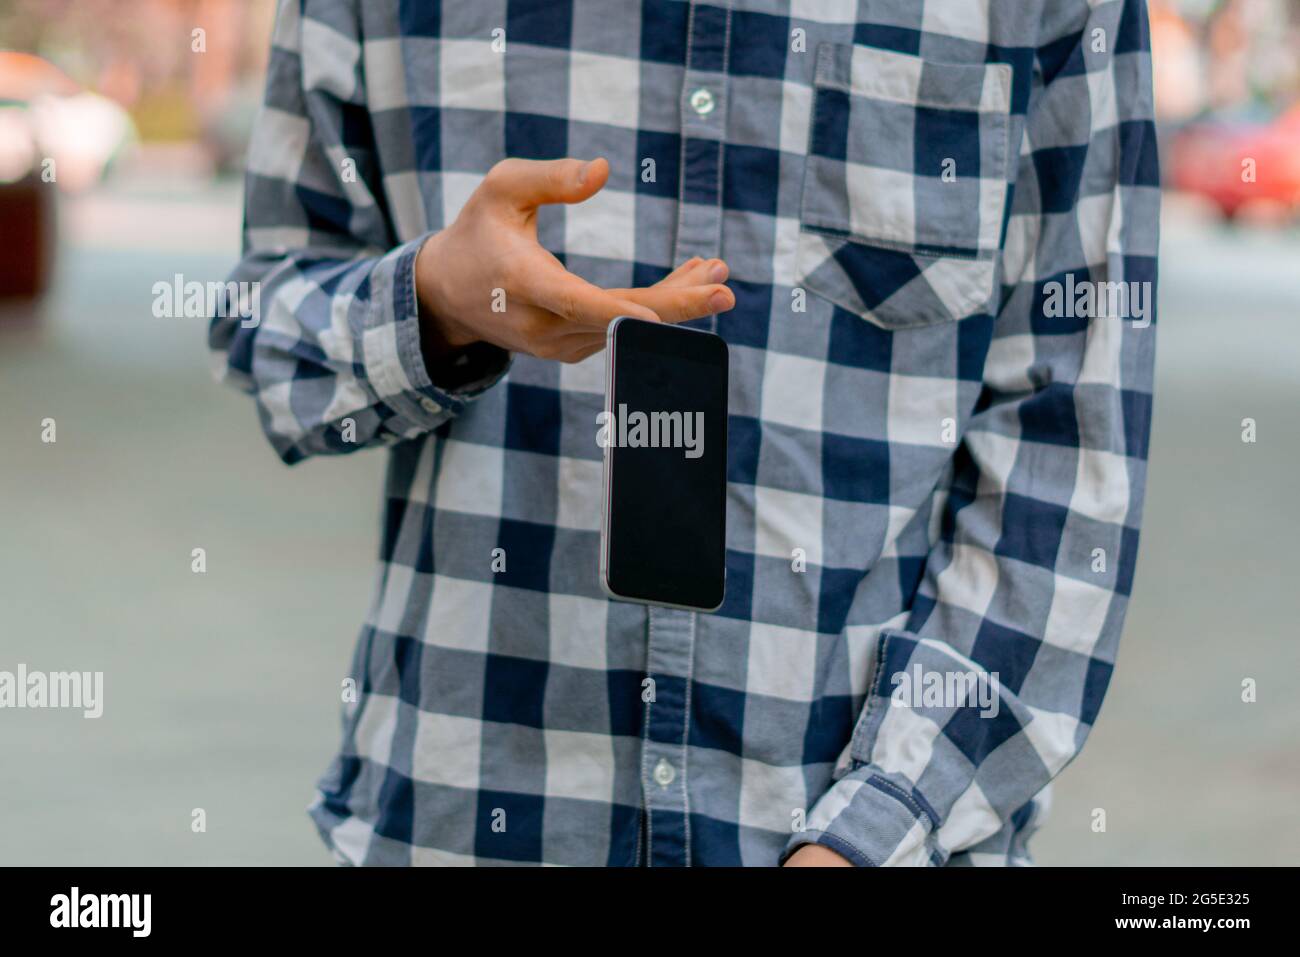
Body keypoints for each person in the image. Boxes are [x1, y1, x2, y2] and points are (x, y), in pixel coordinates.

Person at [211, 0, 1158, 866]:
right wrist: (436, 304)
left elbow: (1068, 447)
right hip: (460, 815)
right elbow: (269, 327)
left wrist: (880, 820)